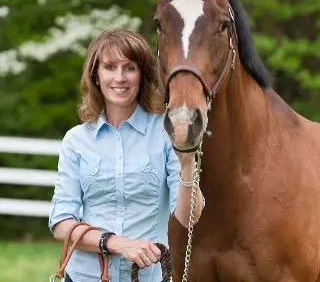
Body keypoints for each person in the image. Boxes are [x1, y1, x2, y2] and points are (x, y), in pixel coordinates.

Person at [49, 28, 204, 282]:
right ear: (96, 76)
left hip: (147, 276)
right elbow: (61, 224)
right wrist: (116, 243)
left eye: (129, 68)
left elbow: (188, 218)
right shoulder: (76, 141)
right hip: (85, 277)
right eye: (110, 67)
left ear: (142, 76)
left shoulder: (167, 132)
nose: (119, 77)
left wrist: (187, 164)